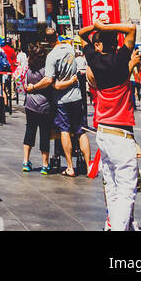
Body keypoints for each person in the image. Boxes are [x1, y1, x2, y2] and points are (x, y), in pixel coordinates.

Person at [80, 14, 140, 232]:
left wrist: (96, 27)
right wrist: (105, 26)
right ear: (117, 44)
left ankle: (112, 225)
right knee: (126, 190)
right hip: (121, 134)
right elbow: (131, 29)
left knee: (112, 187)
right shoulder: (120, 63)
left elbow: (80, 35)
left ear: (98, 45)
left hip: (103, 132)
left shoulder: (94, 62)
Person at [44, 26, 91, 177]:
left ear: (46, 40)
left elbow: (50, 80)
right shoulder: (70, 49)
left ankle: (70, 167)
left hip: (62, 99)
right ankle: (89, 166)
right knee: (80, 130)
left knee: (64, 130)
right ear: (57, 35)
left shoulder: (51, 56)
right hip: (77, 96)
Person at [22, 44, 55, 174]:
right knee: (44, 134)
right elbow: (48, 81)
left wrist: (32, 87)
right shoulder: (45, 70)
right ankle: (45, 164)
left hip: (30, 105)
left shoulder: (29, 69)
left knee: (29, 131)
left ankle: (25, 161)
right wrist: (36, 87)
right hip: (44, 105)